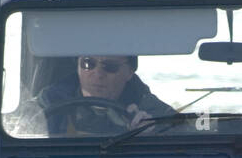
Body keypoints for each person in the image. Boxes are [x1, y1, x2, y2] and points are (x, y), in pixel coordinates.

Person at [40, 55, 174, 132]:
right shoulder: (46, 102)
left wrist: (151, 135)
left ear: (129, 73)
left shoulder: (152, 112)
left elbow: (187, 143)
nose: (98, 74)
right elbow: (22, 129)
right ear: (77, 66)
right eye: (88, 63)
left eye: (110, 67)